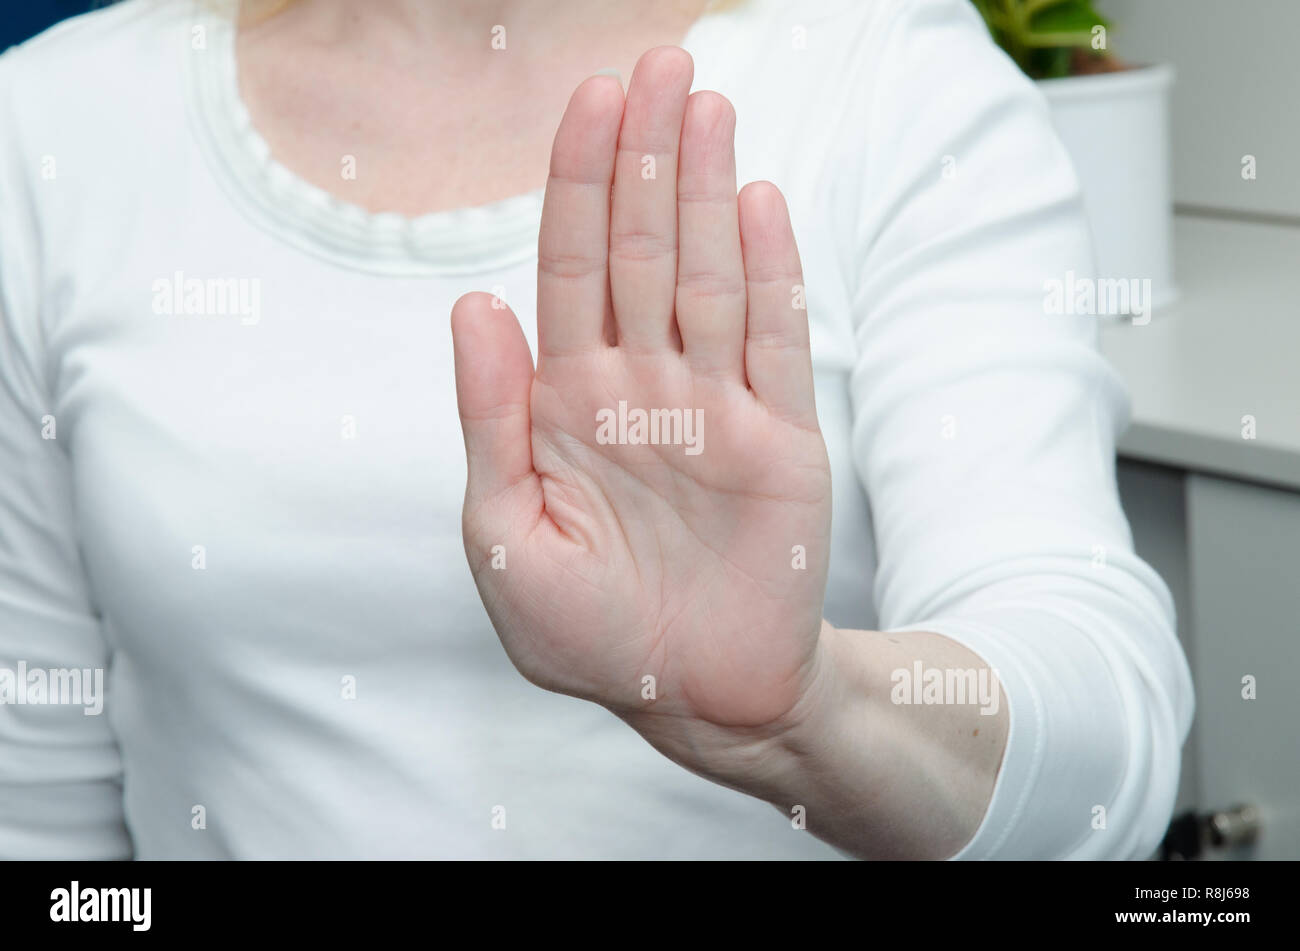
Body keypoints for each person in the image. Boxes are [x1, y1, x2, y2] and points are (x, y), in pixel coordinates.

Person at [0, 0, 1193, 859]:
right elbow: (39, 805)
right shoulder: (55, 131)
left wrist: (805, 716)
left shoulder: (892, 84)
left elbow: (1104, 756)